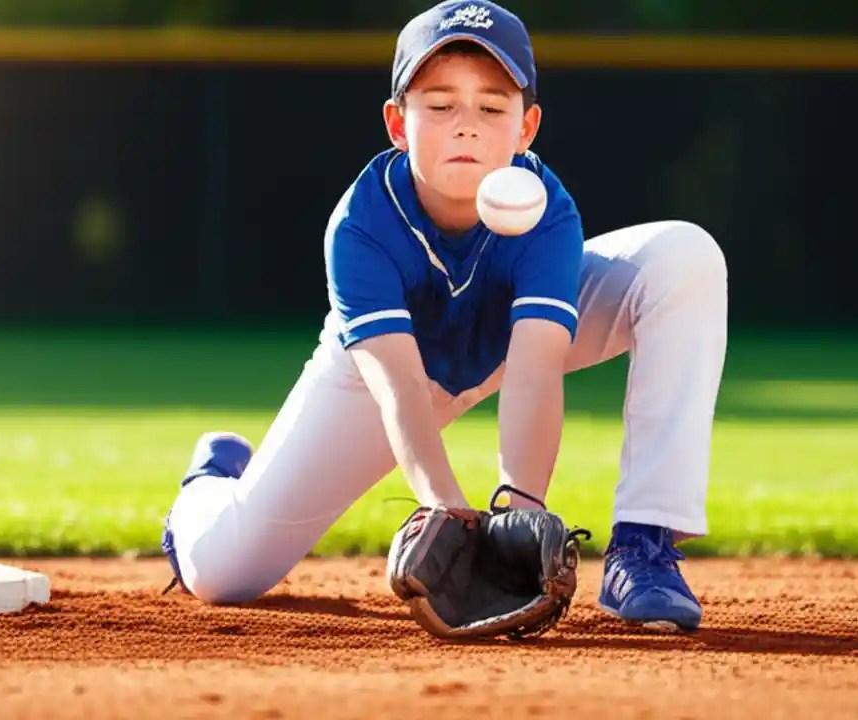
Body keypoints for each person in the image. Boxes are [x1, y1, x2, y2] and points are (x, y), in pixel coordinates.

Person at [160, 0, 727, 633]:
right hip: (385, 372)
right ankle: (212, 480)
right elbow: (400, 387)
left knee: (683, 255)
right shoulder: (361, 224)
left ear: (526, 127)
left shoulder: (547, 214)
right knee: (224, 571)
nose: (467, 126)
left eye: (491, 107)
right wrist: (444, 505)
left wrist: (522, 505)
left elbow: (537, 367)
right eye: (440, 105)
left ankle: (643, 549)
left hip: (506, 342)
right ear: (398, 124)